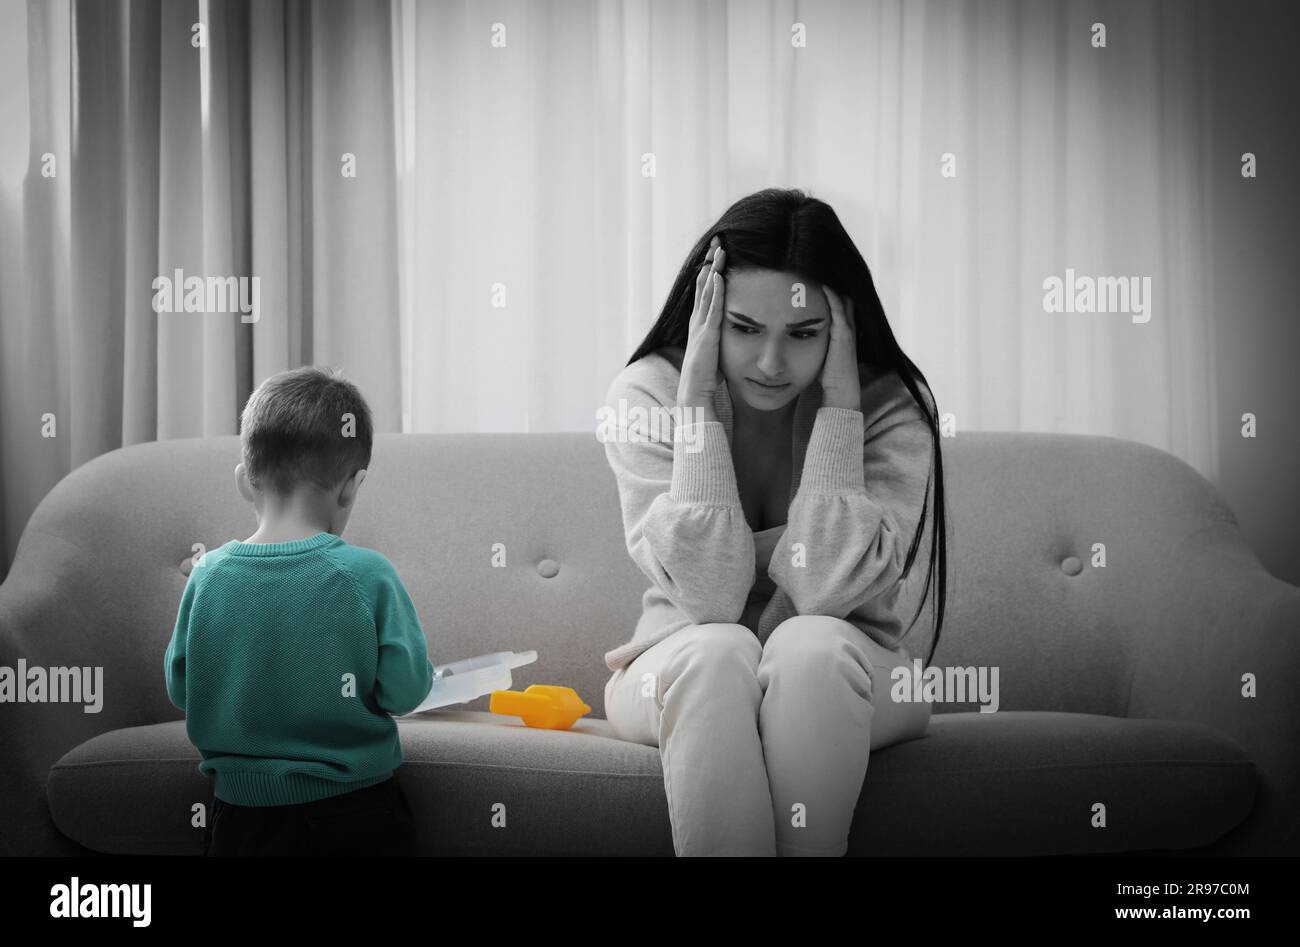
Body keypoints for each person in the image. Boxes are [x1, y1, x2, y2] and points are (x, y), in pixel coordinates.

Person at [599, 188, 949, 856]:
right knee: (717, 651)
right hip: (678, 661)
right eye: (744, 328)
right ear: (707, 316)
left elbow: (827, 591)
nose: (769, 363)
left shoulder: (891, 406)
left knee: (809, 646)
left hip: (853, 667)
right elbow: (711, 599)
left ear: (843, 325)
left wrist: (841, 409)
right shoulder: (646, 396)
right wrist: (697, 403)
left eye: (803, 334)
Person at [163, 365, 434, 856]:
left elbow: (182, 689)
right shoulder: (368, 575)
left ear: (246, 481)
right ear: (352, 486)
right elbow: (406, 690)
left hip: (241, 820)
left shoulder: (207, 576)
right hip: (360, 813)